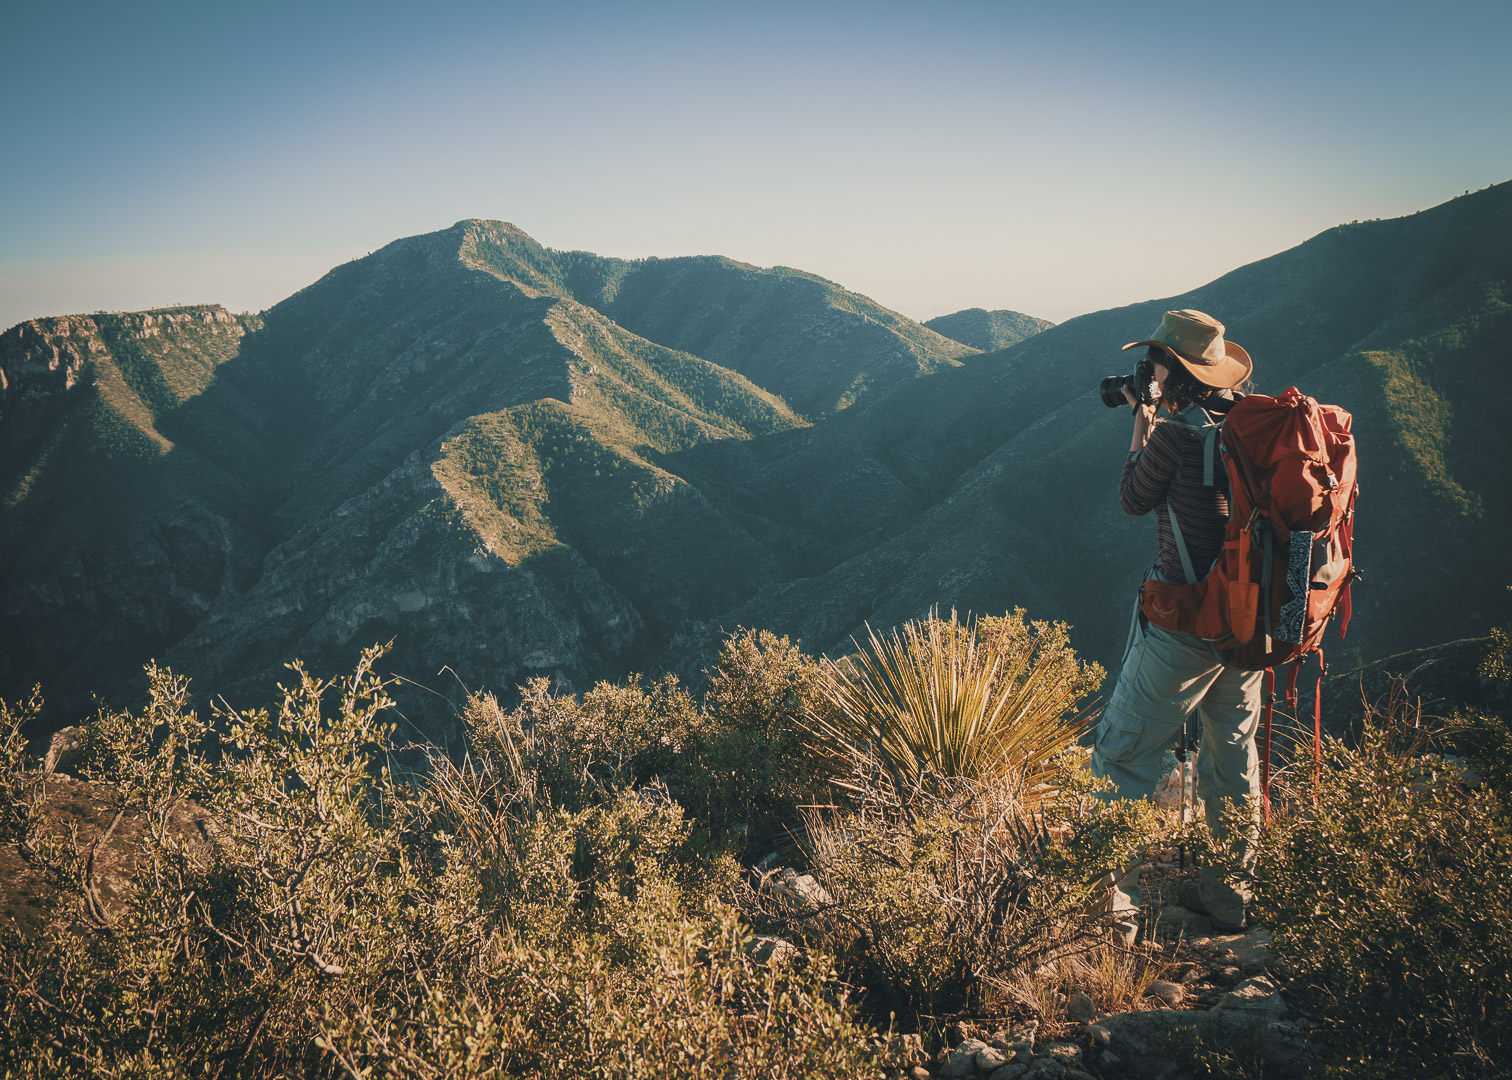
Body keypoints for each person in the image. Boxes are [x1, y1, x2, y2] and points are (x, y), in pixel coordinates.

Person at [1092, 309, 1260, 933]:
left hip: (1184, 626)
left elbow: (1134, 498)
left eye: (1157, 360)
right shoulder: (1250, 424)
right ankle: (1230, 898)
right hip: (1248, 622)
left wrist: (1143, 420)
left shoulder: (1176, 435)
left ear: (1176, 369)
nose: (1149, 370)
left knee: (1123, 756)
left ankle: (1109, 917)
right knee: (1232, 759)